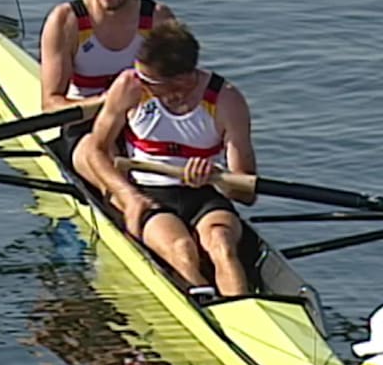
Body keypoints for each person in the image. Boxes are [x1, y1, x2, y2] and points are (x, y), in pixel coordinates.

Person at [76, 22, 255, 297]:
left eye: (148, 81)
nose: (138, 81)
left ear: (182, 82)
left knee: (222, 245)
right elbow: (95, 150)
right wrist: (128, 197)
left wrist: (217, 176)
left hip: (203, 195)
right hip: (150, 193)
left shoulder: (226, 101)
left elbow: (245, 193)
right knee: (182, 250)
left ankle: (246, 314)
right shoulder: (129, 86)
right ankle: (205, 304)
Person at [39, 0, 176, 177]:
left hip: (141, 120)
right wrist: (110, 101)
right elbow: (51, 105)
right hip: (85, 124)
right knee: (106, 157)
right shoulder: (66, 21)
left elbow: (178, 88)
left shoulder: (157, 19)